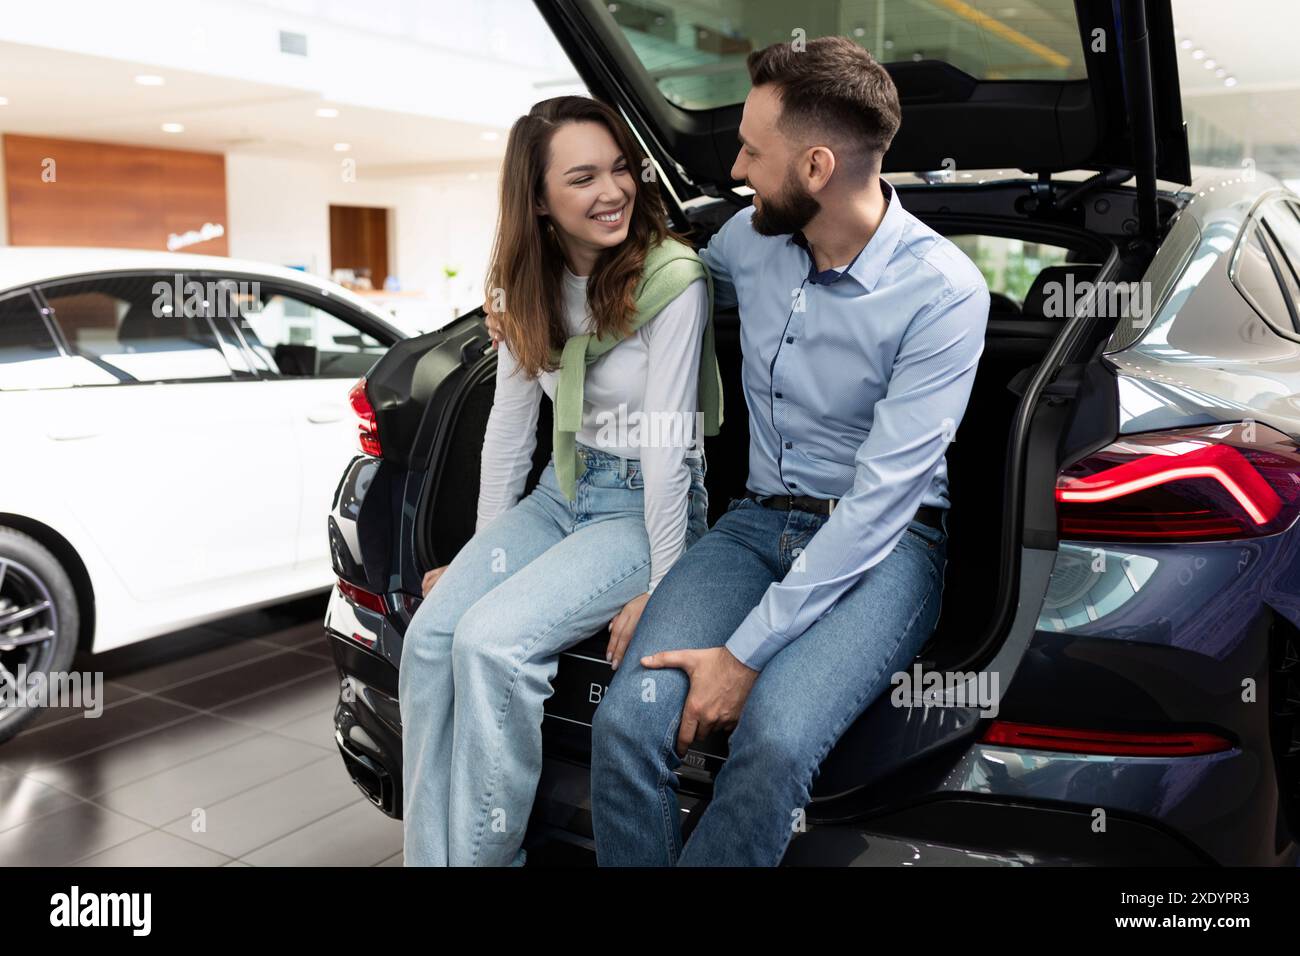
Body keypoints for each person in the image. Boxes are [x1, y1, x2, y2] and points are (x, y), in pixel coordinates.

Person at [589, 36, 990, 866]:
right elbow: (667, 290)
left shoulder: (943, 291)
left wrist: (744, 655)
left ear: (813, 168)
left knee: (771, 744)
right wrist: (540, 302)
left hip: (886, 547)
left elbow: (878, 507)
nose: (736, 168)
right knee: (626, 723)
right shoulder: (749, 239)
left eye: (751, 151)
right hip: (753, 527)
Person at [398, 95, 721, 866]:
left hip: (642, 506)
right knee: (431, 637)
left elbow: (673, 447)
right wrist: (478, 561)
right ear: (538, 200)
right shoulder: (525, 284)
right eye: (582, 178)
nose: (611, 192)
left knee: (491, 645)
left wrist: (667, 590)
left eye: (619, 170)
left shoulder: (673, 278)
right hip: (559, 494)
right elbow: (510, 434)